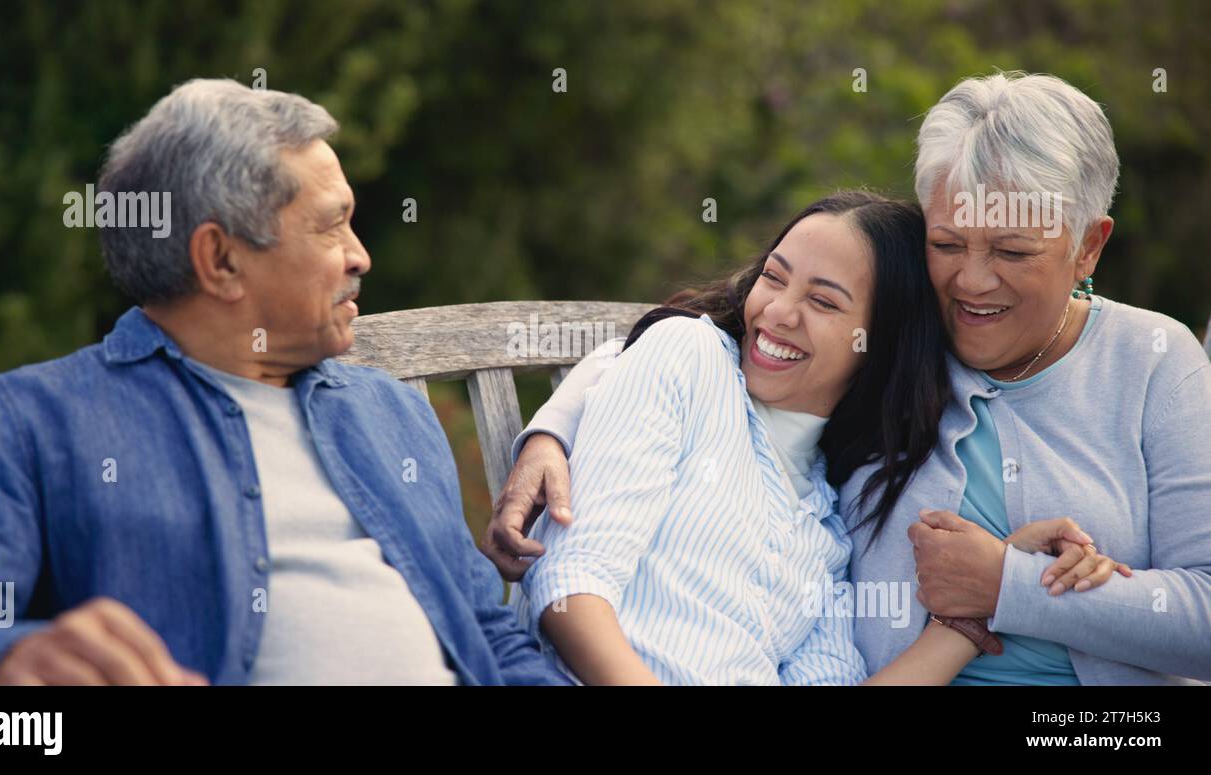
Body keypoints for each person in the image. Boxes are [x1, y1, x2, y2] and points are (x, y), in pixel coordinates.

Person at [486, 72, 1211, 685]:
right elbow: (702, 335)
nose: (972, 280)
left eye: (1013, 251)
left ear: (1089, 245)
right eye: (947, 242)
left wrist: (1006, 588)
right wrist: (552, 429)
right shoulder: (905, 337)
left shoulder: (1151, 359)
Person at [0, 79, 569, 686]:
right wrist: (10, 657)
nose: (361, 257)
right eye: (332, 226)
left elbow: (487, 632)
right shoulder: (31, 423)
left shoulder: (391, 412)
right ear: (221, 261)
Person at [511, 191, 1125, 685]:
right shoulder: (689, 359)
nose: (778, 312)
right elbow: (570, 587)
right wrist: (547, 433)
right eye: (773, 278)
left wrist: (974, 609)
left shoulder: (825, 526)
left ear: (877, 346)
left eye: (823, 303)